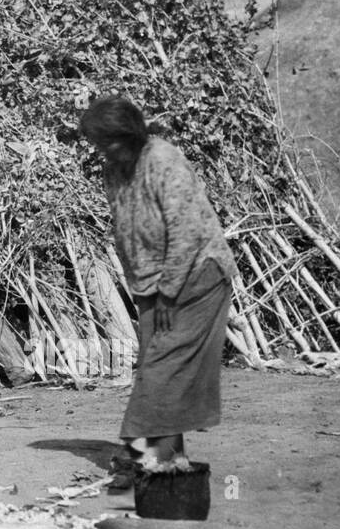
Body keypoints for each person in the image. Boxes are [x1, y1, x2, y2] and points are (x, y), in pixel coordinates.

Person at [79, 96, 235, 480]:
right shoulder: (115, 172)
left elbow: (186, 232)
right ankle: (169, 458)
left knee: (164, 367)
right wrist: (149, 290)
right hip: (154, 284)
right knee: (157, 365)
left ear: (130, 135)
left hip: (198, 274)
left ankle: (146, 453)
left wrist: (169, 291)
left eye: (107, 143)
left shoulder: (164, 161)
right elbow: (131, 232)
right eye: (97, 144)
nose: (101, 151)